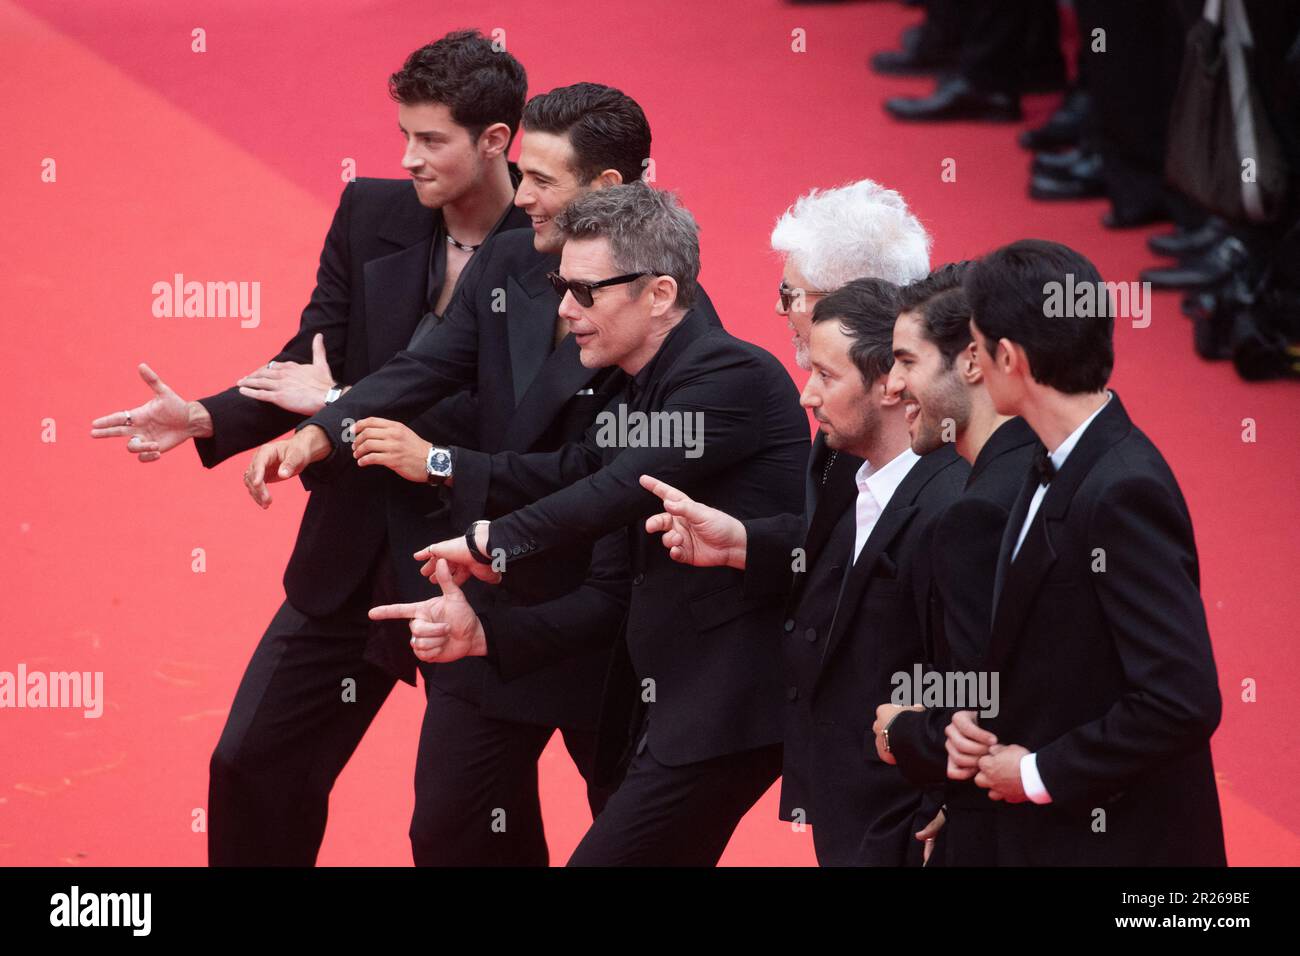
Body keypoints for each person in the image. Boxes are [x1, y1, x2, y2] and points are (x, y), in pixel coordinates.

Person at [244, 82, 718, 865]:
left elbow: (593, 478)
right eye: (523, 172)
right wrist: (327, 432)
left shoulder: (678, 330)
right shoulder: (508, 258)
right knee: (455, 832)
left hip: (610, 627)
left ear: (607, 190)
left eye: (541, 182)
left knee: (631, 840)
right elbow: (424, 367)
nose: (520, 196)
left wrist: (438, 463)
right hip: (495, 612)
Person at [89, 31, 532, 865]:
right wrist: (209, 417)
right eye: (402, 133)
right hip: (355, 548)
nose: (407, 157)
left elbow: (508, 419)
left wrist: (331, 408)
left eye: (431, 140)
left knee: (468, 826)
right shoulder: (372, 213)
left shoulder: (547, 253)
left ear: (497, 141)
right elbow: (318, 353)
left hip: (475, 569)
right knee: (254, 766)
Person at [398, 183, 810, 865]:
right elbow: (607, 595)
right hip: (669, 709)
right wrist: (485, 635)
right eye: (564, 286)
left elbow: (614, 490)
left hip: (731, 706)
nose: (564, 309)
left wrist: (491, 539)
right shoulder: (639, 388)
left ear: (657, 294)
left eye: (586, 291)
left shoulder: (725, 375)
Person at [642, 278, 968, 865]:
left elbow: (971, 667)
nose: (806, 396)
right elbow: (828, 572)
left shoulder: (951, 505)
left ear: (890, 385)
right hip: (849, 806)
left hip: (907, 827)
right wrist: (740, 543)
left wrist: (948, 804)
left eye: (826, 375)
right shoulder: (865, 483)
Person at [955, 238, 1226, 865]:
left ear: (1008, 356)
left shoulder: (1123, 489)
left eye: (975, 346)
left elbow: (1181, 701)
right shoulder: (1048, 458)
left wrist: (1037, 773)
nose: (968, 364)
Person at [866, 262, 1037, 866]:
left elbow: (987, 710)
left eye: (907, 362)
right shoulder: (1042, 467)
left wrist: (900, 732)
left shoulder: (977, 514)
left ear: (969, 362)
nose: (891, 388)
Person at [769, 179, 931, 526]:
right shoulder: (853, 393)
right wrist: (744, 543)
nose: (780, 309)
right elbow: (837, 538)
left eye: (789, 294)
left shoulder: (917, 437)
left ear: (846, 300)